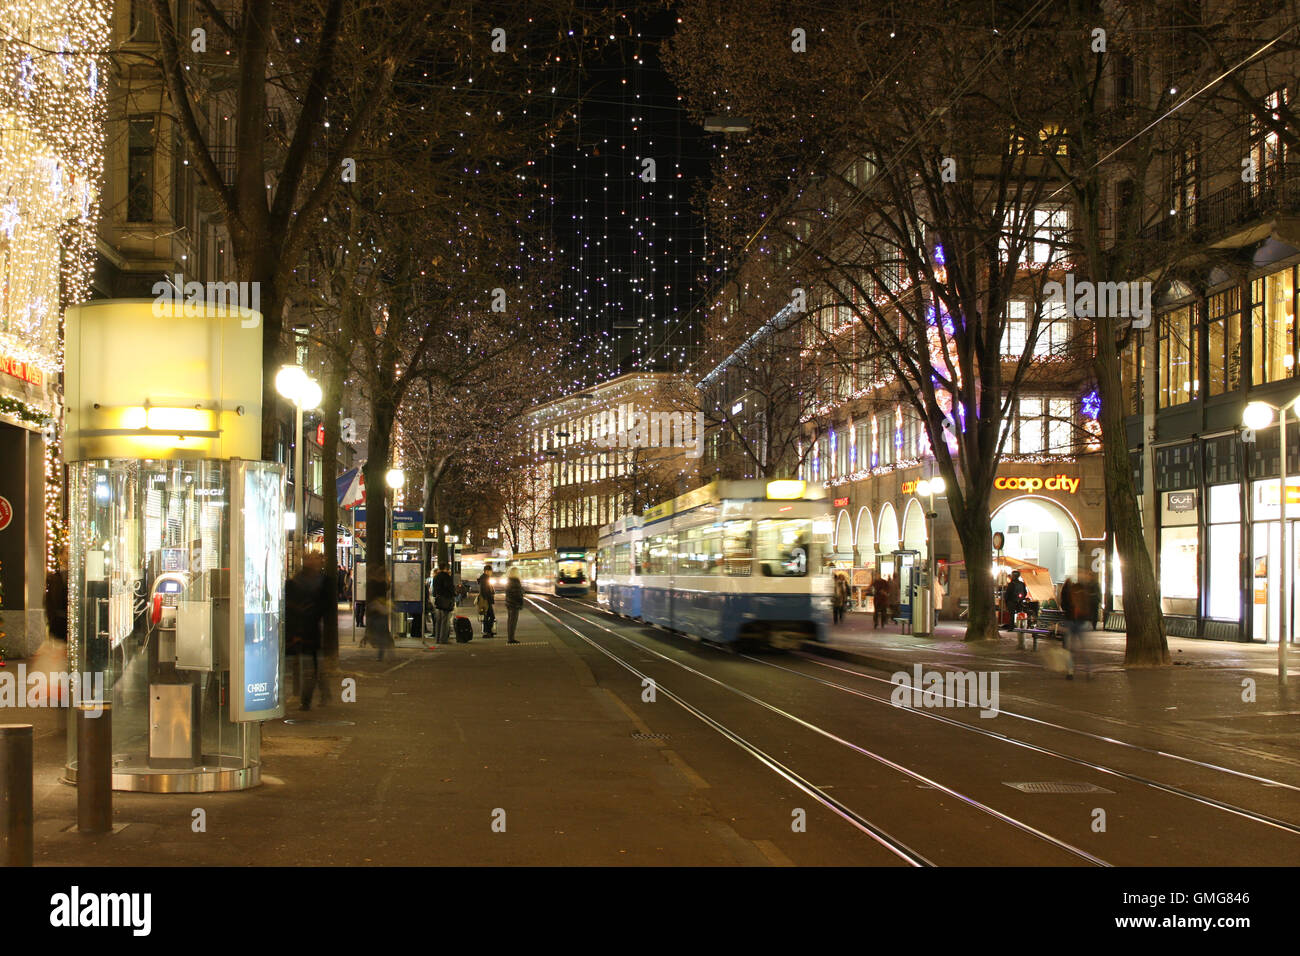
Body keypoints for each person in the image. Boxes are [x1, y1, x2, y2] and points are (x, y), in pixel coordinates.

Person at [286, 551, 331, 709]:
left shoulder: (319, 581)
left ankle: (309, 698)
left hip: (310, 630)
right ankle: (310, 697)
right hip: (301, 629)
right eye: (311, 559)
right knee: (309, 665)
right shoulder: (296, 582)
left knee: (311, 665)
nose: (314, 562)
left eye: (317, 559)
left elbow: (326, 607)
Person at [366, 567, 393, 660]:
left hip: (376, 610)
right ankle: (385, 648)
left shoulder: (374, 583)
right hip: (380, 609)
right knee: (380, 632)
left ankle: (382, 652)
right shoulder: (381, 584)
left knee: (379, 632)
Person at [432, 563, 456, 644]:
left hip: (438, 600)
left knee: (438, 620)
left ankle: (437, 639)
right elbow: (450, 588)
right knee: (445, 620)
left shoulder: (436, 577)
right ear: (445, 568)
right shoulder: (446, 577)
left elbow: (434, 590)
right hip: (446, 599)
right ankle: (443, 639)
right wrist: (453, 595)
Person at [45, 562, 69, 643]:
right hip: (58, 621)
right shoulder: (54, 577)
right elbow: (49, 600)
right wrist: (51, 618)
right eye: (66, 553)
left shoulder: (76, 576)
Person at [504, 567, 524, 643]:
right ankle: (511, 639)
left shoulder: (509, 581)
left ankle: (510, 637)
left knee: (510, 621)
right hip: (514, 604)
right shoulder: (515, 581)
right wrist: (520, 601)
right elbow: (517, 594)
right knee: (513, 622)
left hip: (509, 603)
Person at [476, 564, 496, 637]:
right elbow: (485, 591)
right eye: (491, 571)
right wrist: (489, 598)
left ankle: (486, 632)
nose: (491, 573)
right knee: (491, 616)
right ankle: (488, 631)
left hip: (485, 600)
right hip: (486, 601)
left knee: (486, 616)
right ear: (487, 571)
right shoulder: (485, 579)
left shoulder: (483, 578)